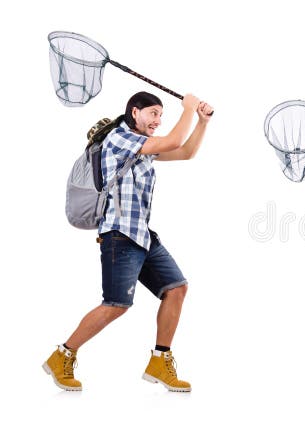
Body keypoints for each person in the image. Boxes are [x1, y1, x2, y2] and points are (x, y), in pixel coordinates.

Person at [43, 91, 214, 392]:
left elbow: (186, 151)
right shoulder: (120, 138)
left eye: (161, 115)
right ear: (135, 112)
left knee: (176, 288)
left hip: (142, 236)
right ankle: (63, 355)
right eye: (153, 113)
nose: (158, 120)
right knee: (116, 305)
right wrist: (187, 108)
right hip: (119, 236)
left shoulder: (143, 145)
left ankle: (159, 361)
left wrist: (201, 122)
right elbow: (173, 141)